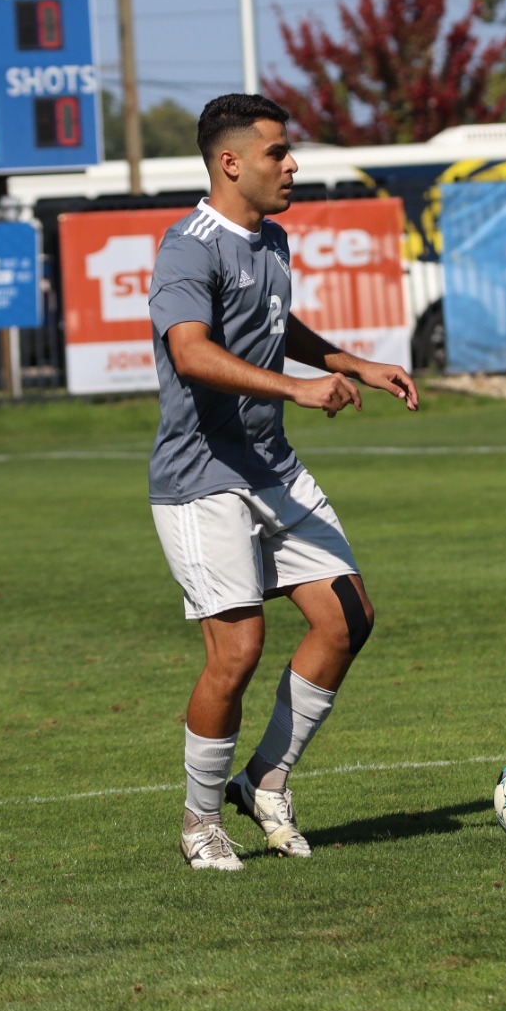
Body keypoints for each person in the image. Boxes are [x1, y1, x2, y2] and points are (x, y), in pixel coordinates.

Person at [147, 93, 419, 871]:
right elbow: (192, 351)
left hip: (271, 466)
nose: (291, 162)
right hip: (202, 478)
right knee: (237, 651)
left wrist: (346, 361)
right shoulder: (186, 247)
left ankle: (265, 778)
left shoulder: (272, 241)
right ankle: (201, 819)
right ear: (231, 162)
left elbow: (273, 321)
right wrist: (298, 389)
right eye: (277, 151)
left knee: (347, 617)